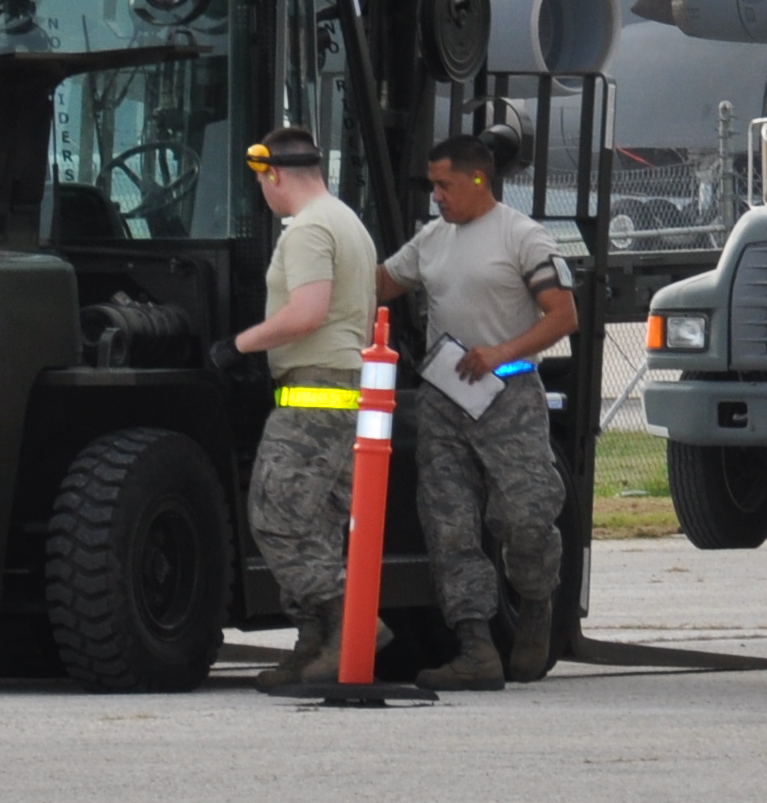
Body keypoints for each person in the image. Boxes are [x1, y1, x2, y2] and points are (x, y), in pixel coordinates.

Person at [376, 134, 575, 691]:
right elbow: (383, 283)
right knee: (448, 526)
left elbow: (562, 315)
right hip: (445, 402)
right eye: (432, 185)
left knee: (525, 517)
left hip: (508, 396)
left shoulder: (521, 236)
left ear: (479, 180)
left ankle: (536, 603)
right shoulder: (431, 241)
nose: (436, 195)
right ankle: (475, 647)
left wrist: (500, 354)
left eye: (445, 184)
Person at [216, 131, 378, 696]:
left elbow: (306, 312)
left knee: (276, 515)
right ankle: (317, 643)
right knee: (320, 523)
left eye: (261, 181)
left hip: (315, 391)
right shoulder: (346, 220)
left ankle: (347, 622)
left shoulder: (309, 229)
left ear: (273, 175)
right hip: (346, 388)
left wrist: (239, 345)